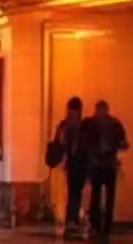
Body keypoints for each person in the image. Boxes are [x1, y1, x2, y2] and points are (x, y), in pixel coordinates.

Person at [83, 100, 127, 237]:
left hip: (102, 164)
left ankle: (100, 224)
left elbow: (123, 143)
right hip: (104, 164)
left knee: (100, 195)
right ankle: (103, 224)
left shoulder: (92, 124)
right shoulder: (113, 124)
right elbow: (123, 143)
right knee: (104, 196)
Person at [47, 97, 87, 238]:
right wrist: (62, 139)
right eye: (69, 113)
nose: (71, 117)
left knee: (77, 196)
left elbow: (85, 149)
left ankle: (76, 220)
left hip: (78, 168)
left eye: (74, 114)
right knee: (62, 197)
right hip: (64, 168)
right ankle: (63, 222)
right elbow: (56, 146)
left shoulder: (84, 129)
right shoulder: (63, 127)